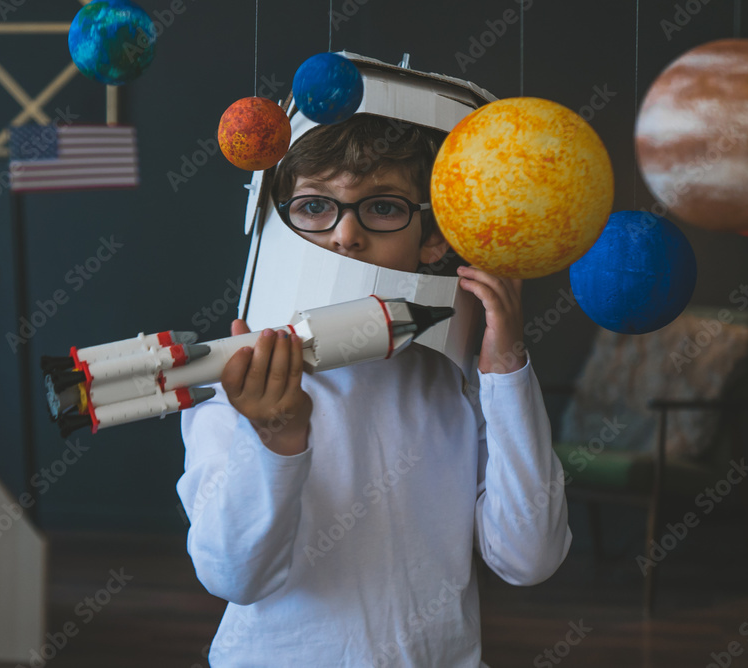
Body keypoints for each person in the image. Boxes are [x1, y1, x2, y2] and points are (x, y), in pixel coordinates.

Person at [176, 113, 571, 667]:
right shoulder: (239, 383)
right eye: (315, 206)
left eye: (382, 206)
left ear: (433, 238)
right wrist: (273, 441)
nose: (345, 234)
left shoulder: (452, 381)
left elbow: (529, 558)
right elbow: (234, 577)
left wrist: (506, 369)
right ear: (278, 222)